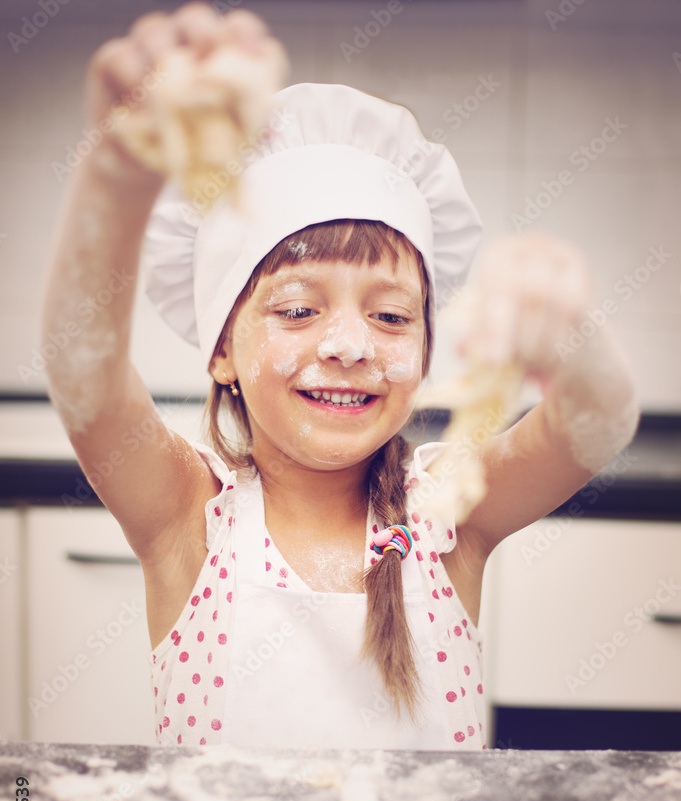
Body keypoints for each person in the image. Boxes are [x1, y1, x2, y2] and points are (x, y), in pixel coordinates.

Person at [42, 3, 639, 751]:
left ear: (425, 354)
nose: (351, 345)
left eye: (391, 318)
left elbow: (597, 423)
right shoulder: (185, 519)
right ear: (222, 351)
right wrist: (117, 178)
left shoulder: (447, 520)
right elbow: (81, 375)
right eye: (297, 310)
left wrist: (567, 334)